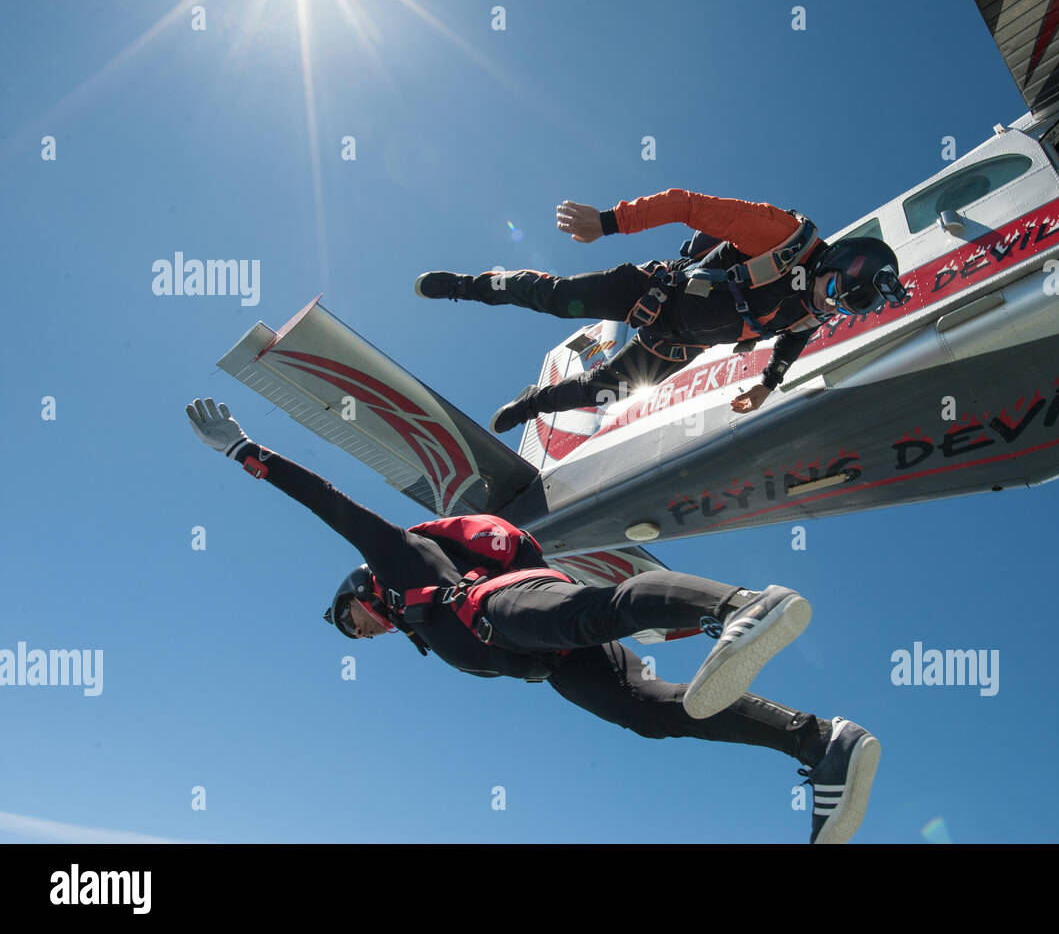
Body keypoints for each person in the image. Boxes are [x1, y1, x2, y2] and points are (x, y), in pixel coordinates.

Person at [186, 396, 882, 843]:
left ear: (360, 591)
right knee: (654, 711)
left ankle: (738, 606)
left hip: (505, 605)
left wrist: (243, 451)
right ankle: (820, 743)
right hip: (548, 663)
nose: (361, 634)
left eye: (352, 621)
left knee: (592, 611)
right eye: (355, 636)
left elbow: (328, 502)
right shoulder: (423, 634)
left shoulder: (397, 562)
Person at [414, 188, 908, 433]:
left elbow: (795, 335)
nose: (827, 304)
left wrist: (767, 385)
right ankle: (469, 285)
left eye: (839, 306)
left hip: (679, 343)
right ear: (841, 261)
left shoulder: (814, 309)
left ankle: (534, 401)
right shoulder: (782, 234)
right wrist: (606, 222)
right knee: (557, 299)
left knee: (601, 392)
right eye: (834, 291)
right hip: (657, 291)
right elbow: (683, 204)